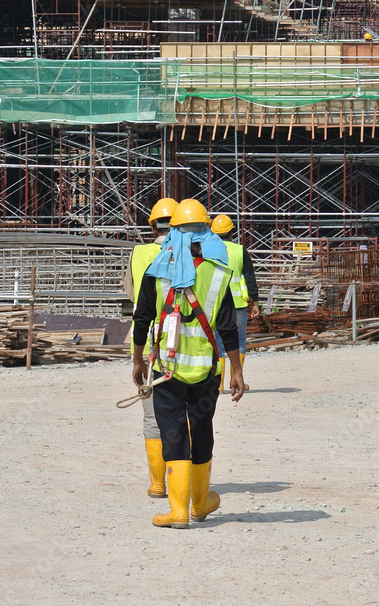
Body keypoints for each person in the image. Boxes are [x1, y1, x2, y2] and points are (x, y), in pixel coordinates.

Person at [132, 198, 246, 529]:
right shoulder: (219, 273)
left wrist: (138, 360)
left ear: (173, 232)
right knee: (201, 430)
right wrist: (237, 370)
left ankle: (178, 511)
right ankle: (200, 502)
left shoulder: (157, 272)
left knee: (173, 432)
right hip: (207, 372)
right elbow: (227, 326)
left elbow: (142, 319)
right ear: (206, 232)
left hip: (167, 371)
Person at [123, 197, 177, 499]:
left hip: (148, 340)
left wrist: (137, 358)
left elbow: (134, 298)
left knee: (151, 414)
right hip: (182, 340)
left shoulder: (139, 253)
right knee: (183, 413)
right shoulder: (190, 252)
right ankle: (183, 478)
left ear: (152, 224)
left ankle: (158, 483)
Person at [210, 214, 261, 391]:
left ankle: (218, 384)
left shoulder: (208, 249)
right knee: (238, 340)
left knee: (217, 341)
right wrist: (255, 302)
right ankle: (236, 379)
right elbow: (250, 278)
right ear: (232, 232)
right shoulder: (240, 250)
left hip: (215, 301)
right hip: (238, 303)